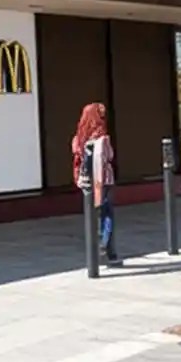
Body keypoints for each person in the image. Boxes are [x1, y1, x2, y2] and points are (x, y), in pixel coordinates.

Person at [72, 102, 120, 266]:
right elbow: (110, 156)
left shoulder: (79, 138)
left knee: (93, 214)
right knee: (107, 214)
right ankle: (104, 245)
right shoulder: (102, 138)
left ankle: (103, 250)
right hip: (104, 181)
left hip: (86, 182)